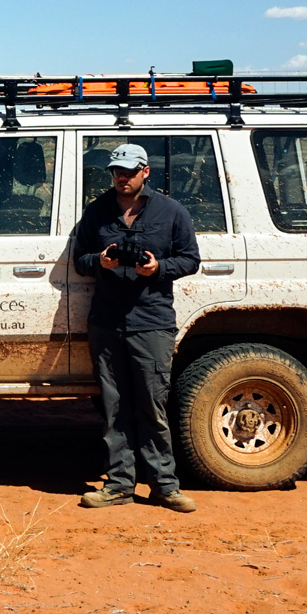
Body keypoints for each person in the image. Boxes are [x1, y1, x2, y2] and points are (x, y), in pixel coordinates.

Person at [71, 143, 202, 512]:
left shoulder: (171, 211)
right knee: (114, 408)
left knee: (152, 406)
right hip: (107, 322)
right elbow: (80, 260)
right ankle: (118, 486)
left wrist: (157, 268)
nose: (121, 178)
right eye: (116, 171)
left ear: (145, 171)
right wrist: (101, 261)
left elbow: (190, 259)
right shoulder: (96, 212)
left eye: (128, 171)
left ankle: (164, 486)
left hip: (152, 322)